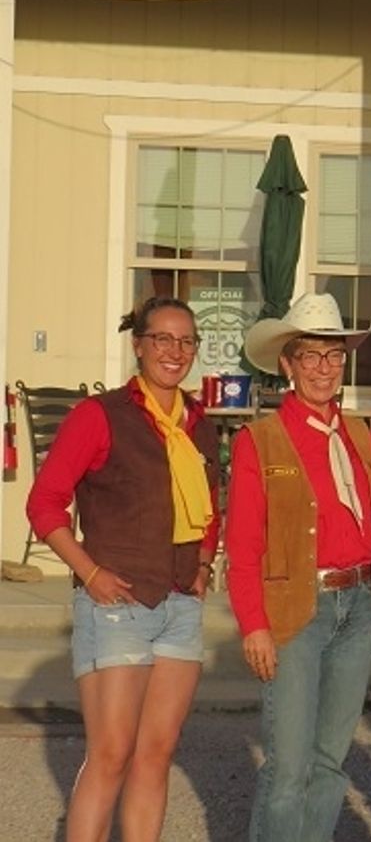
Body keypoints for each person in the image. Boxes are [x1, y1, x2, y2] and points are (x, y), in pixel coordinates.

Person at [25, 296, 220, 842]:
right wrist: (90, 573)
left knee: (155, 755)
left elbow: (210, 507)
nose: (174, 351)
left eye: (186, 341)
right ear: (138, 345)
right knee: (111, 754)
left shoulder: (198, 423)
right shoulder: (99, 415)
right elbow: (44, 503)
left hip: (179, 603)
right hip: (116, 605)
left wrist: (203, 563)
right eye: (162, 338)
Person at [226, 292, 371, 842]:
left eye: (333, 355)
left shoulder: (362, 432)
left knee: (331, 759)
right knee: (289, 765)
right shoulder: (260, 441)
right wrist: (254, 625)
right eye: (310, 356)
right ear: (287, 364)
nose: (323, 368)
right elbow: (242, 546)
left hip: (359, 607)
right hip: (294, 612)